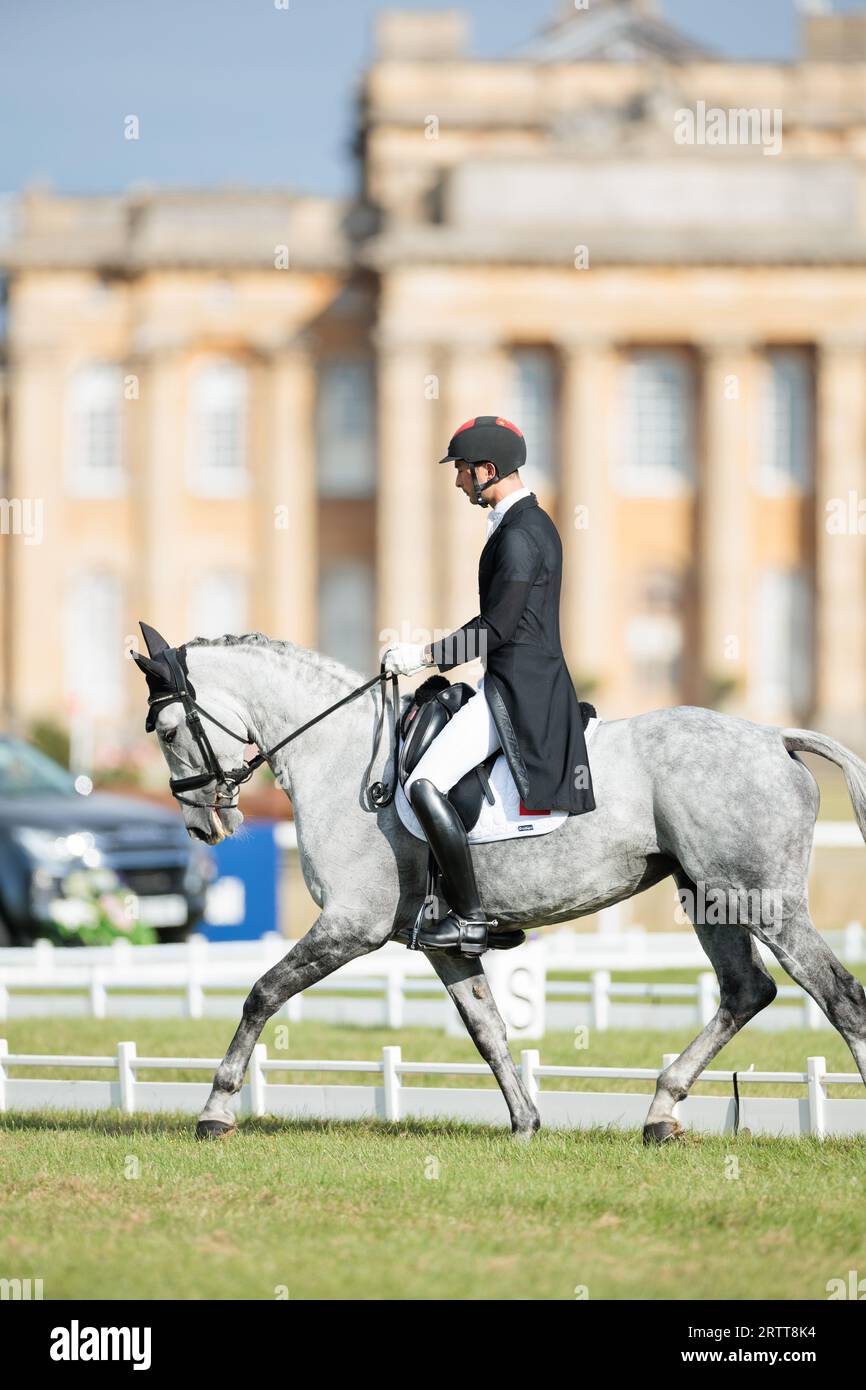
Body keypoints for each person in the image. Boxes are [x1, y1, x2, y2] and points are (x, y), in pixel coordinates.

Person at [384, 415, 596, 955]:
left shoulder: (521, 534)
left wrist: (423, 656)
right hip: (512, 678)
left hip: (519, 689)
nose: (457, 482)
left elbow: (497, 627)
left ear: (487, 470)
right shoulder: (524, 525)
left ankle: (471, 919)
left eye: (461, 471)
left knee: (423, 784)